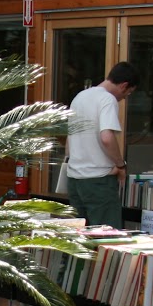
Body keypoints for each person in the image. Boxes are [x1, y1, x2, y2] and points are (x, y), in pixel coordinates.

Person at [64, 61, 138, 227]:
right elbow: (107, 137)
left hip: (75, 179)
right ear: (124, 85)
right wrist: (120, 164)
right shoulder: (107, 99)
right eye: (128, 93)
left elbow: (69, 139)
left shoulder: (80, 97)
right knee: (107, 237)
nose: (124, 98)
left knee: (80, 239)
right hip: (99, 181)